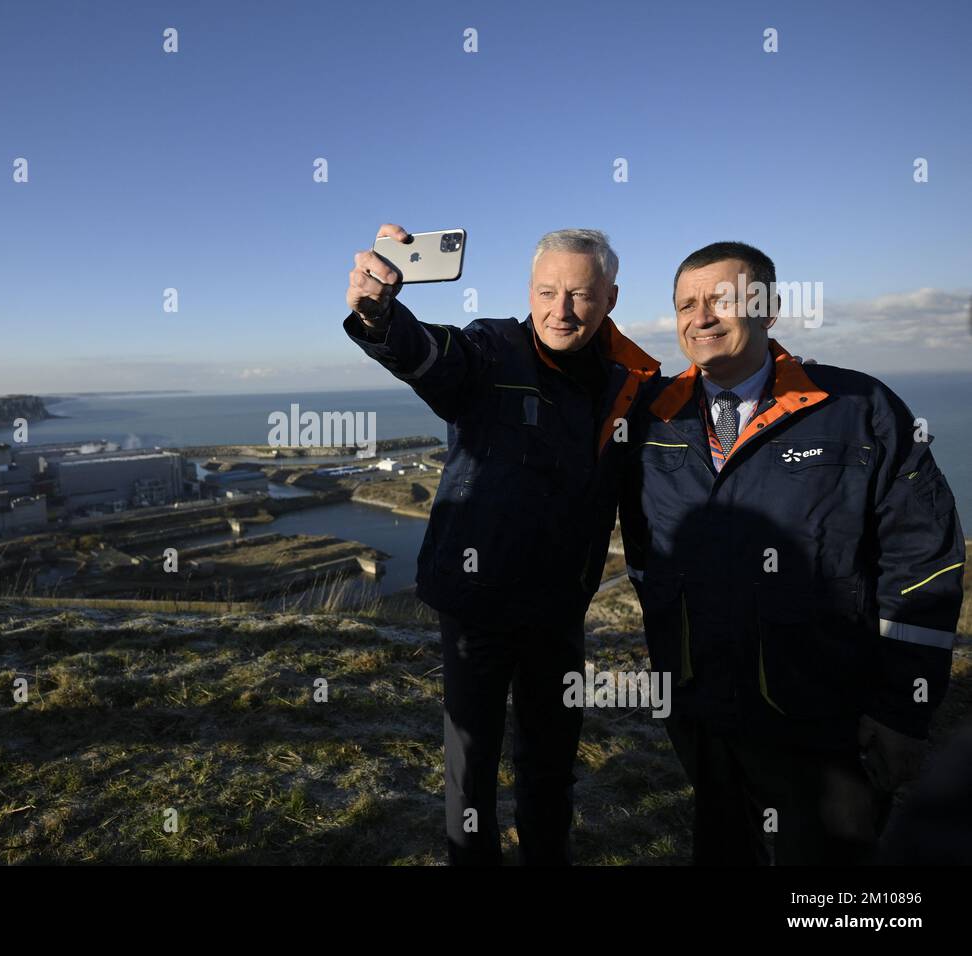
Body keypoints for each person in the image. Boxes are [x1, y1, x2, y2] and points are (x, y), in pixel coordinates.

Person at [619, 241, 966, 864]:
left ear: (769, 309)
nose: (700, 318)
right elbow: (647, 552)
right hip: (702, 713)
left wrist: (903, 710)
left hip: (825, 723)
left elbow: (923, 566)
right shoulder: (654, 418)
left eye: (722, 299)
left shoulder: (861, 411)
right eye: (685, 305)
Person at [344, 224, 659, 864]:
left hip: (560, 609)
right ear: (529, 290)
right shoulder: (492, 348)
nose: (560, 310)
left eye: (579, 294)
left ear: (611, 298)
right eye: (547, 291)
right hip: (477, 605)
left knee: (550, 760)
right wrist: (382, 316)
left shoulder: (631, 382)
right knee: (472, 761)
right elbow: (432, 356)